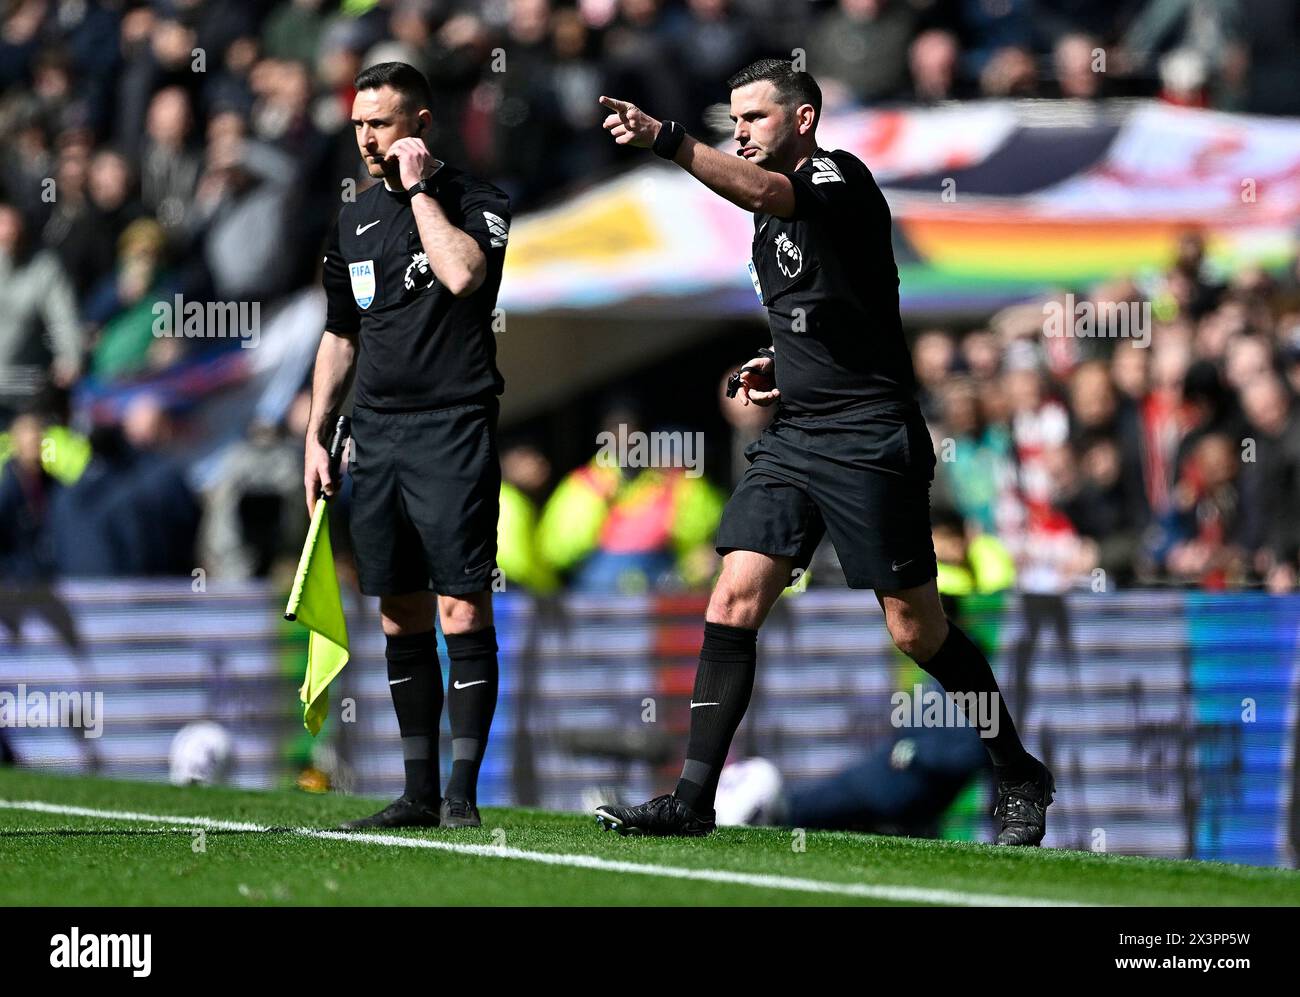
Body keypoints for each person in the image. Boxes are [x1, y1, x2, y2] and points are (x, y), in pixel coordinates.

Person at [592, 58, 1054, 845]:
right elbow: (824, 308)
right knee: (733, 594)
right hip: (798, 434)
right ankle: (692, 798)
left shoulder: (837, 177)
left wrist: (667, 140)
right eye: (732, 121)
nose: (739, 133)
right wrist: (781, 362)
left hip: (871, 436)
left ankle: (1015, 768)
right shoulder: (769, 214)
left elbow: (764, 189)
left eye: (754, 119)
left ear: (801, 119)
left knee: (916, 630)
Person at [307, 62, 511, 830]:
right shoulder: (351, 218)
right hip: (376, 436)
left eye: (381, 123)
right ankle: (418, 790)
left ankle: (462, 791)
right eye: (359, 124)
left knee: (461, 606)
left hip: (452, 426)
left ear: (420, 125)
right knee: (400, 611)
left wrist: (421, 191)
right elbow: (339, 333)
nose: (366, 138)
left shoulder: (475, 200)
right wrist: (316, 433)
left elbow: (463, 277)